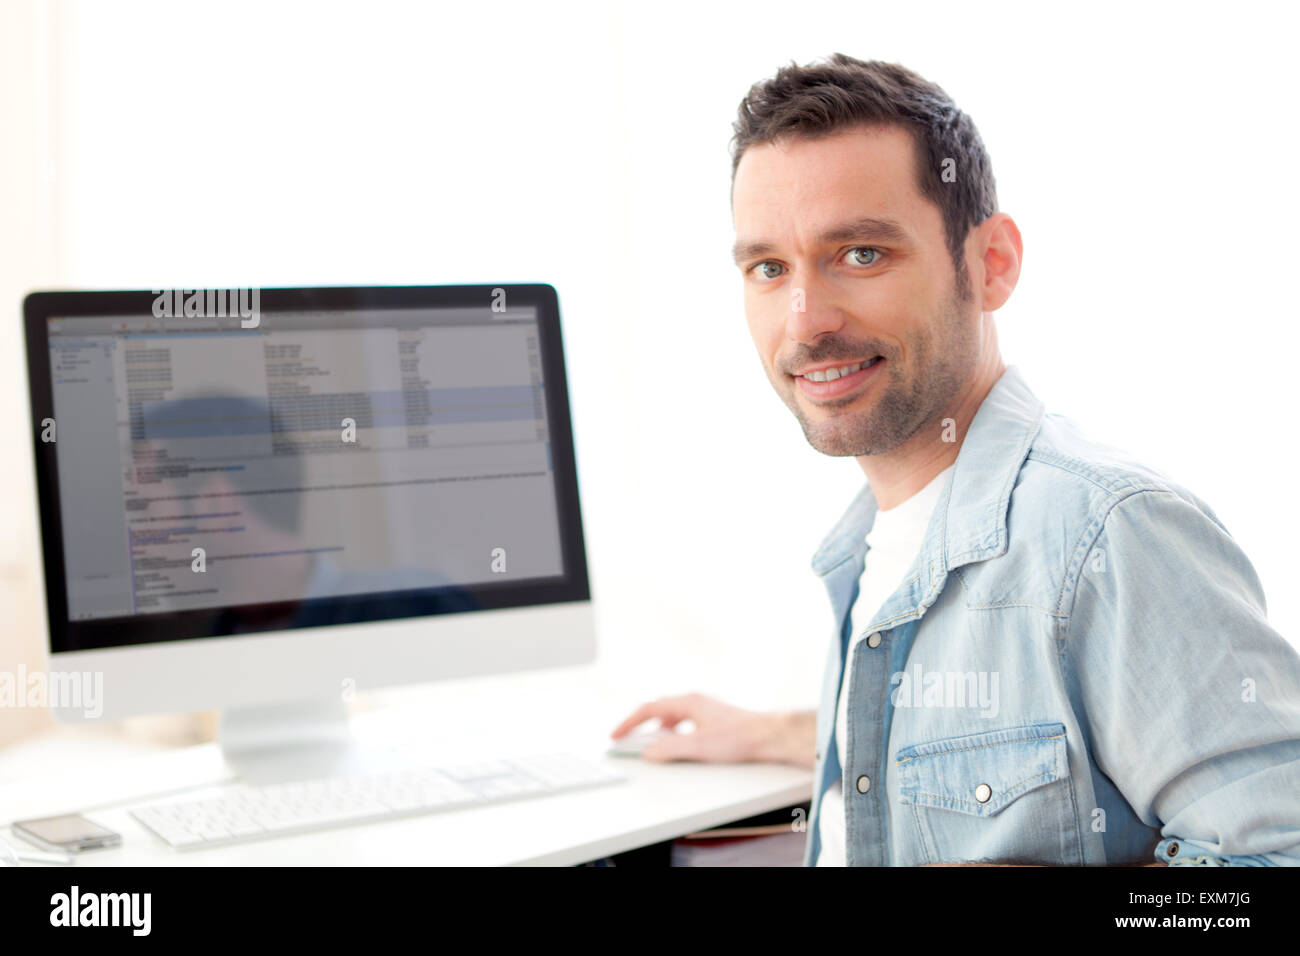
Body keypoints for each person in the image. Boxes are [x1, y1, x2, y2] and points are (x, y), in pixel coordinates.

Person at [611, 54, 1300, 867]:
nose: (806, 322)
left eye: (861, 253)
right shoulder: (871, 542)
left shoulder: (1108, 535)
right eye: (769, 268)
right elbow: (994, 735)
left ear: (991, 263)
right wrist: (782, 732)